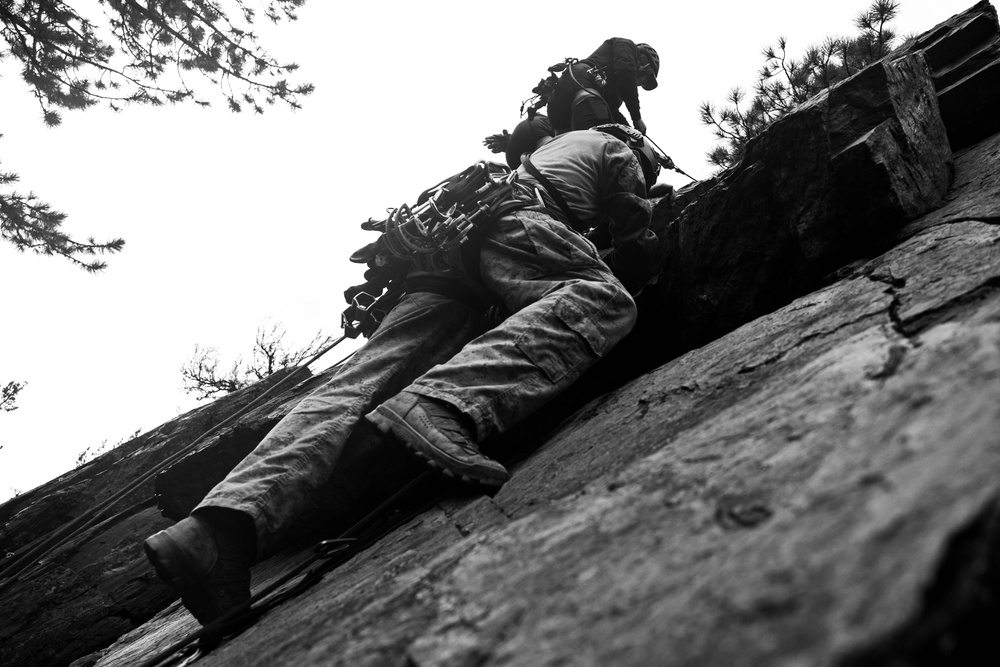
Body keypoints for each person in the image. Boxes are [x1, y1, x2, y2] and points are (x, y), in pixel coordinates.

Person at [142, 126, 663, 626]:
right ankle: (445, 404)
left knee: (358, 384)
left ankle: (219, 532)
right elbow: (631, 224)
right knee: (602, 298)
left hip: (441, 257)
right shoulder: (611, 146)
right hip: (512, 221)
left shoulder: (547, 152)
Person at [547, 39, 659, 136]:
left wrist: (631, 133)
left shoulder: (612, 92)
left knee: (567, 150)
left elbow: (614, 115)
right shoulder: (626, 45)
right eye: (647, 78)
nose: (642, 84)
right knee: (600, 143)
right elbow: (625, 72)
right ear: (645, 64)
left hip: (560, 105)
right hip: (583, 86)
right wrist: (637, 118)